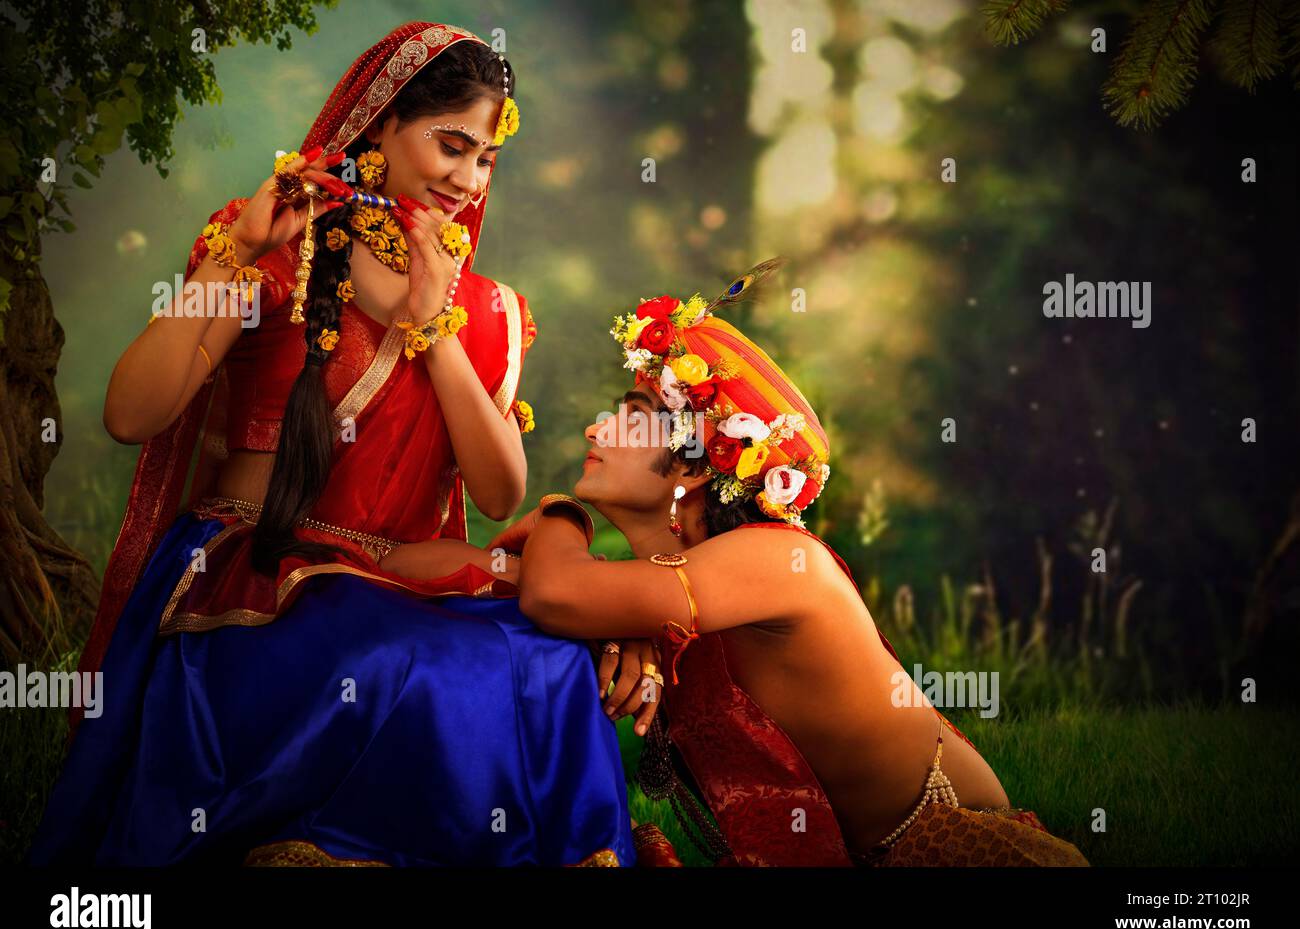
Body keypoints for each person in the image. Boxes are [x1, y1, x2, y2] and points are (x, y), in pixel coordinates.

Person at [29, 22, 633, 867]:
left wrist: (436, 330)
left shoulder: (488, 310)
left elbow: (498, 494)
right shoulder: (282, 248)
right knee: (393, 655)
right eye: (450, 146)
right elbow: (133, 414)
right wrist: (235, 254)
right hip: (259, 570)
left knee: (554, 668)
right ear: (382, 124)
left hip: (402, 577)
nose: (467, 178)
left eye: (486, 158)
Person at [487, 263, 1093, 867]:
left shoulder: (778, 558)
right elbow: (546, 587)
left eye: (634, 414)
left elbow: (554, 592)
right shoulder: (678, 576)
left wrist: (559, 513)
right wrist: (618, 621)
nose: (598, 427)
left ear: (697, 466)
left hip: (958, 851)